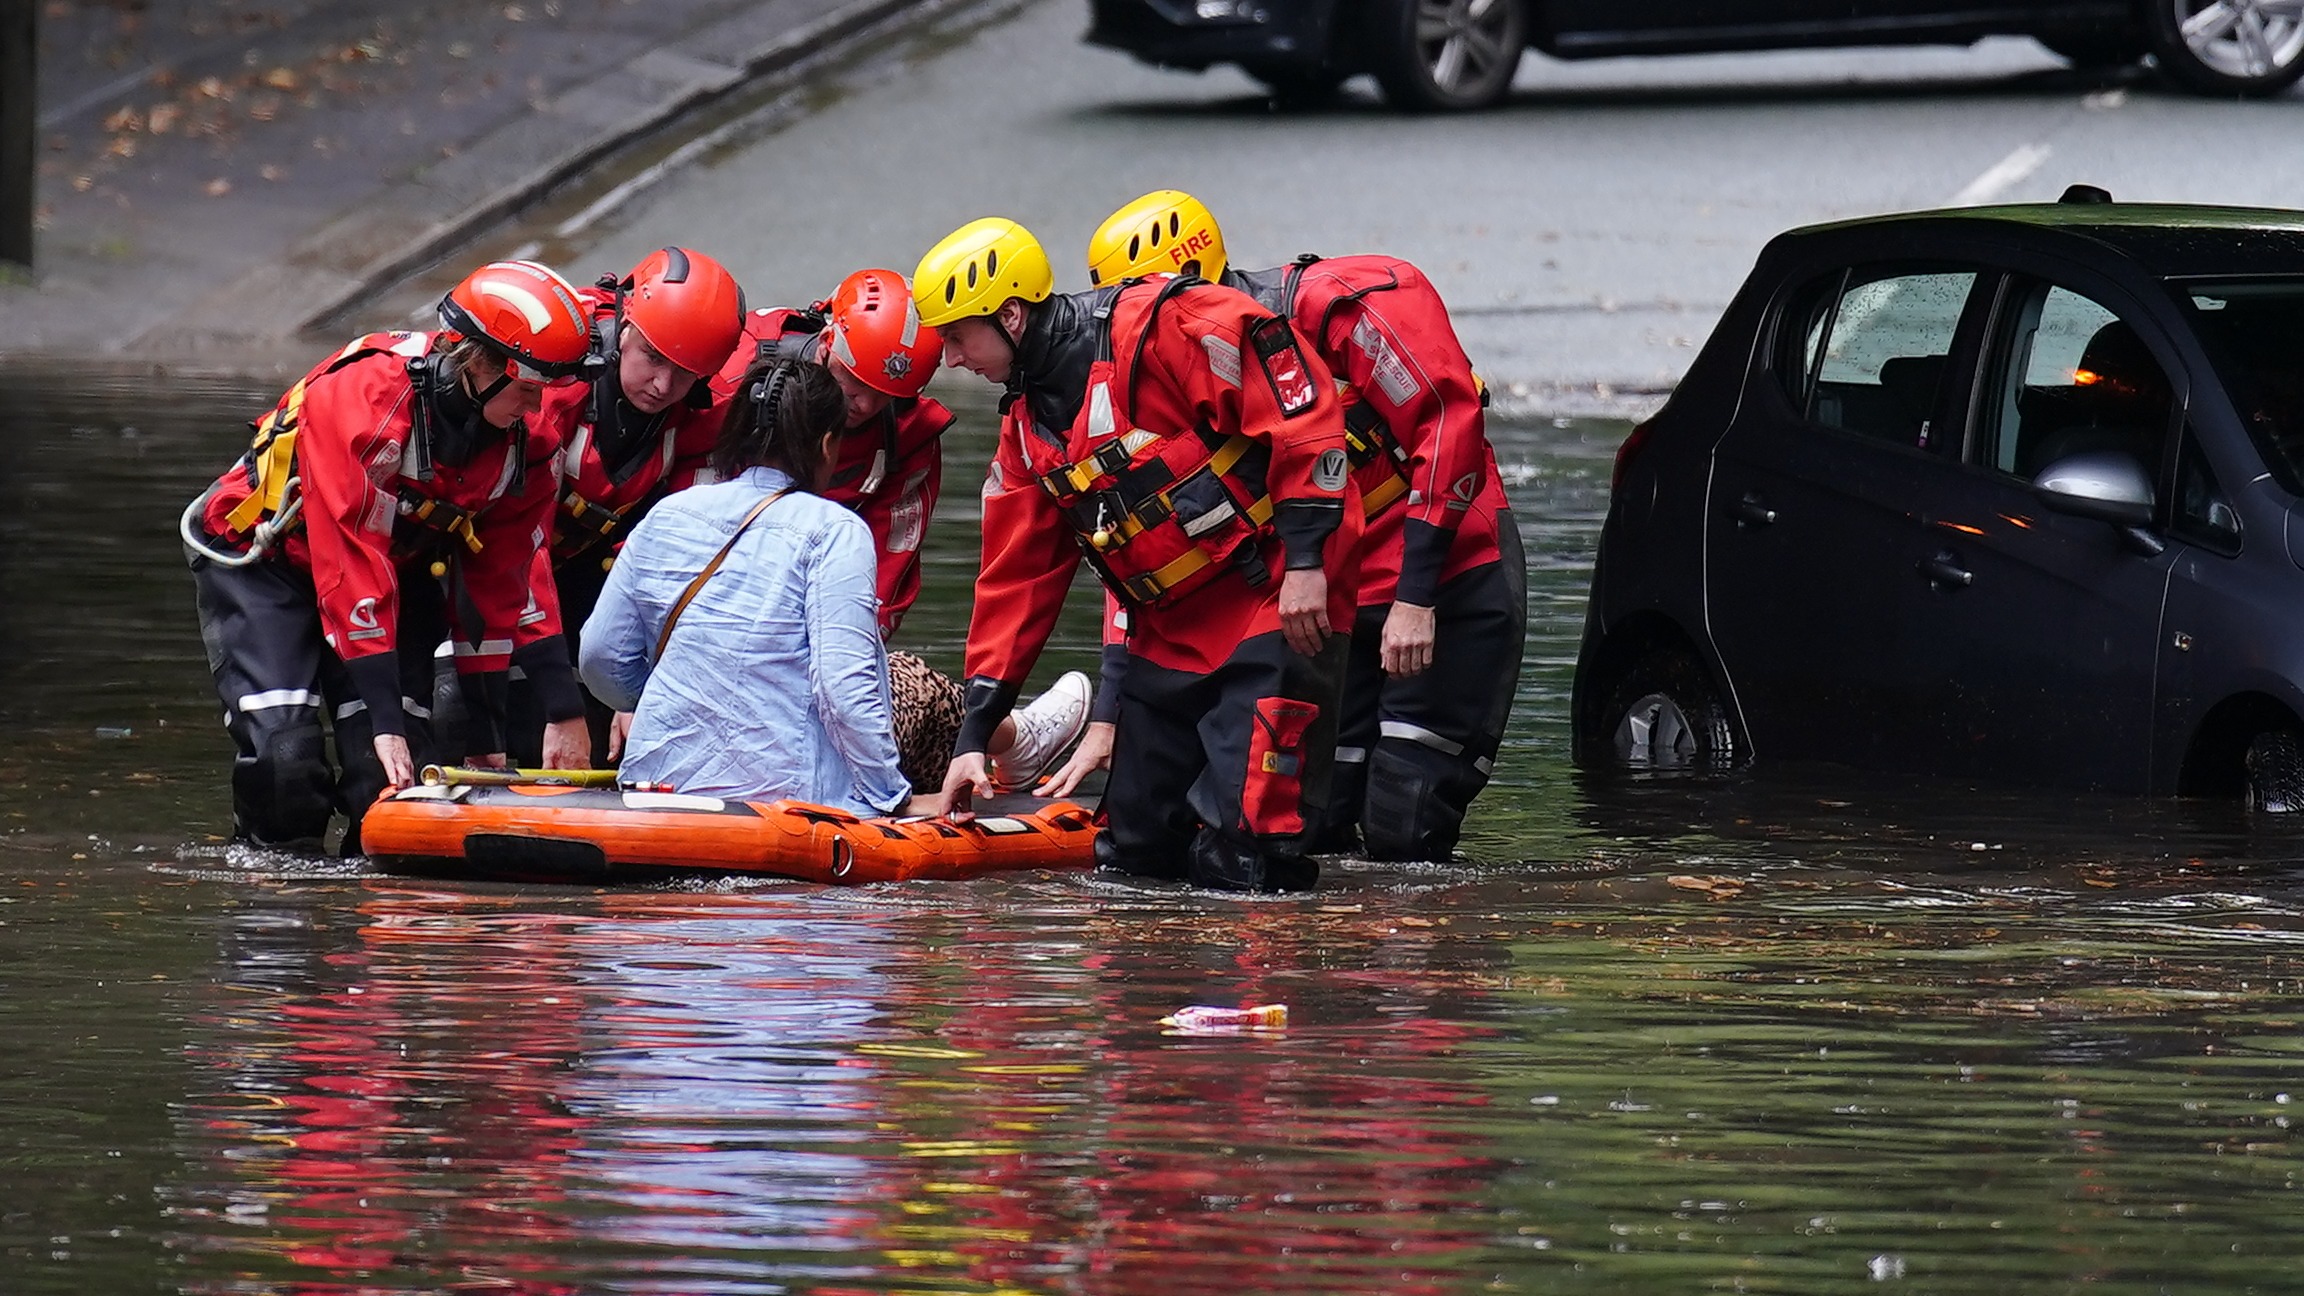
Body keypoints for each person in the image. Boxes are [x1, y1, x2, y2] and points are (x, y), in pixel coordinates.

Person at [915, 216, 1361, 892]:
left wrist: (1306, 563)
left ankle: (1274, 987)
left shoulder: (1168, 326)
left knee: (1246, 854)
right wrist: (974, 736)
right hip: (1170, 632)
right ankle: (1147, 994)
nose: (950, 359)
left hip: (1272, 599)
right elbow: (1016, 583)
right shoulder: (1026, 433)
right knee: (1134, 853)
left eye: (956, 337)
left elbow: (1304, 416)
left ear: (1009, 315)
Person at [1083, 190, 1526, 861]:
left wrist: (1416, 598)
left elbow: (1449, 427)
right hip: (1329, 606)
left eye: (1142, 310)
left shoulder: (1353, 304)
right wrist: (1113, 708)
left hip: (1446, 579)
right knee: (1304, 825)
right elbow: (1150, 557)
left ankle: (1424, 959)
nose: (1130, 332)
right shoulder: (1171, 382)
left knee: (1404, 819)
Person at [183, 259, 597, 853]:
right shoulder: (364, 402)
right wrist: (382, 720)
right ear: (477, 363)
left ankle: (374, 932)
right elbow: (350, 564)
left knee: (389, 786)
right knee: (285, 761)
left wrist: (555, 707)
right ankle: (274, 913)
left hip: (395, 575)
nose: (536, 408)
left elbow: (512, 578)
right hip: (267, 563)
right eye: (529, 388)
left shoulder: (527, 444)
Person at [578, 357, 1089, 810]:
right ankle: (1018, 739)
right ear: (827, 443)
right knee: (908, 679)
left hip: (656, 785)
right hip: (792, 797)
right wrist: (892, 796)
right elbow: (845, 689)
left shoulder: (668, 515)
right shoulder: (834, 530)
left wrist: (671, 699)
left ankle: (1017, 738)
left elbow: (599, 655)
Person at [511, 246, 747, 767]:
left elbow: (678, 558)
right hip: (486, 572)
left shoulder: (702, 417)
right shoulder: (556, 385)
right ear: (623, 329)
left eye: (685, 373)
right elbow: (515, 546)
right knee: (468, 709)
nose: (664, 386)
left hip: (587, 579)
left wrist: (640, 683)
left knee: (602, 733)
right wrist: (559, 706)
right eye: (653, 358)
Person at [709, 268, 952, 639]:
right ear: (826, 342)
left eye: (885, 392)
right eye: (855, 381)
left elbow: (886, 573)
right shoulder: (738, 375)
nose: (865, 404)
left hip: (816, 609)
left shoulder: (909, 436)